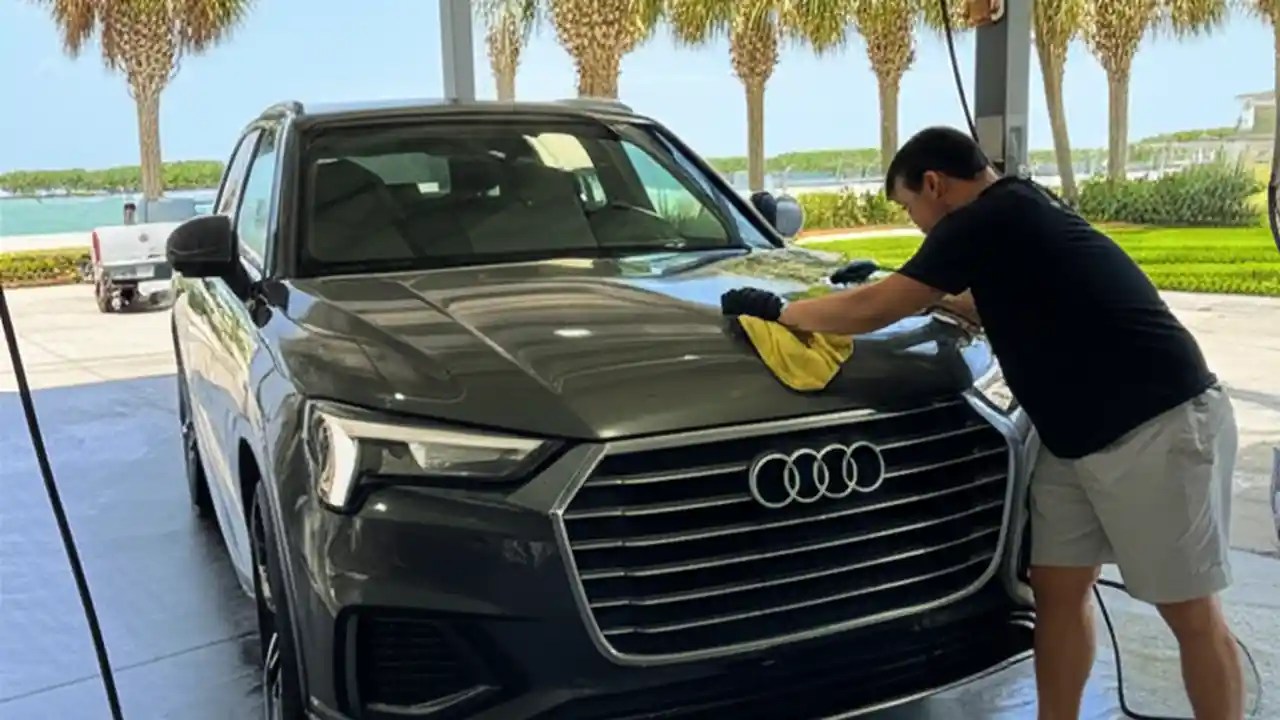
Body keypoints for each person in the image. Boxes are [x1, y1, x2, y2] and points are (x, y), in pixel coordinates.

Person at [721, 126, 1244, 720]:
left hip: (1158, 427)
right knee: (1057, 589)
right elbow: (990, 300)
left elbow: (877, 309)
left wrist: (783, 311)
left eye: (908, 206)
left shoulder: (985, 219)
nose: (916, 222)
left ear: (935, 185)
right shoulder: (1017, 208)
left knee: (1190, 612)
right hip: (1074, 439)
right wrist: (932, 296)